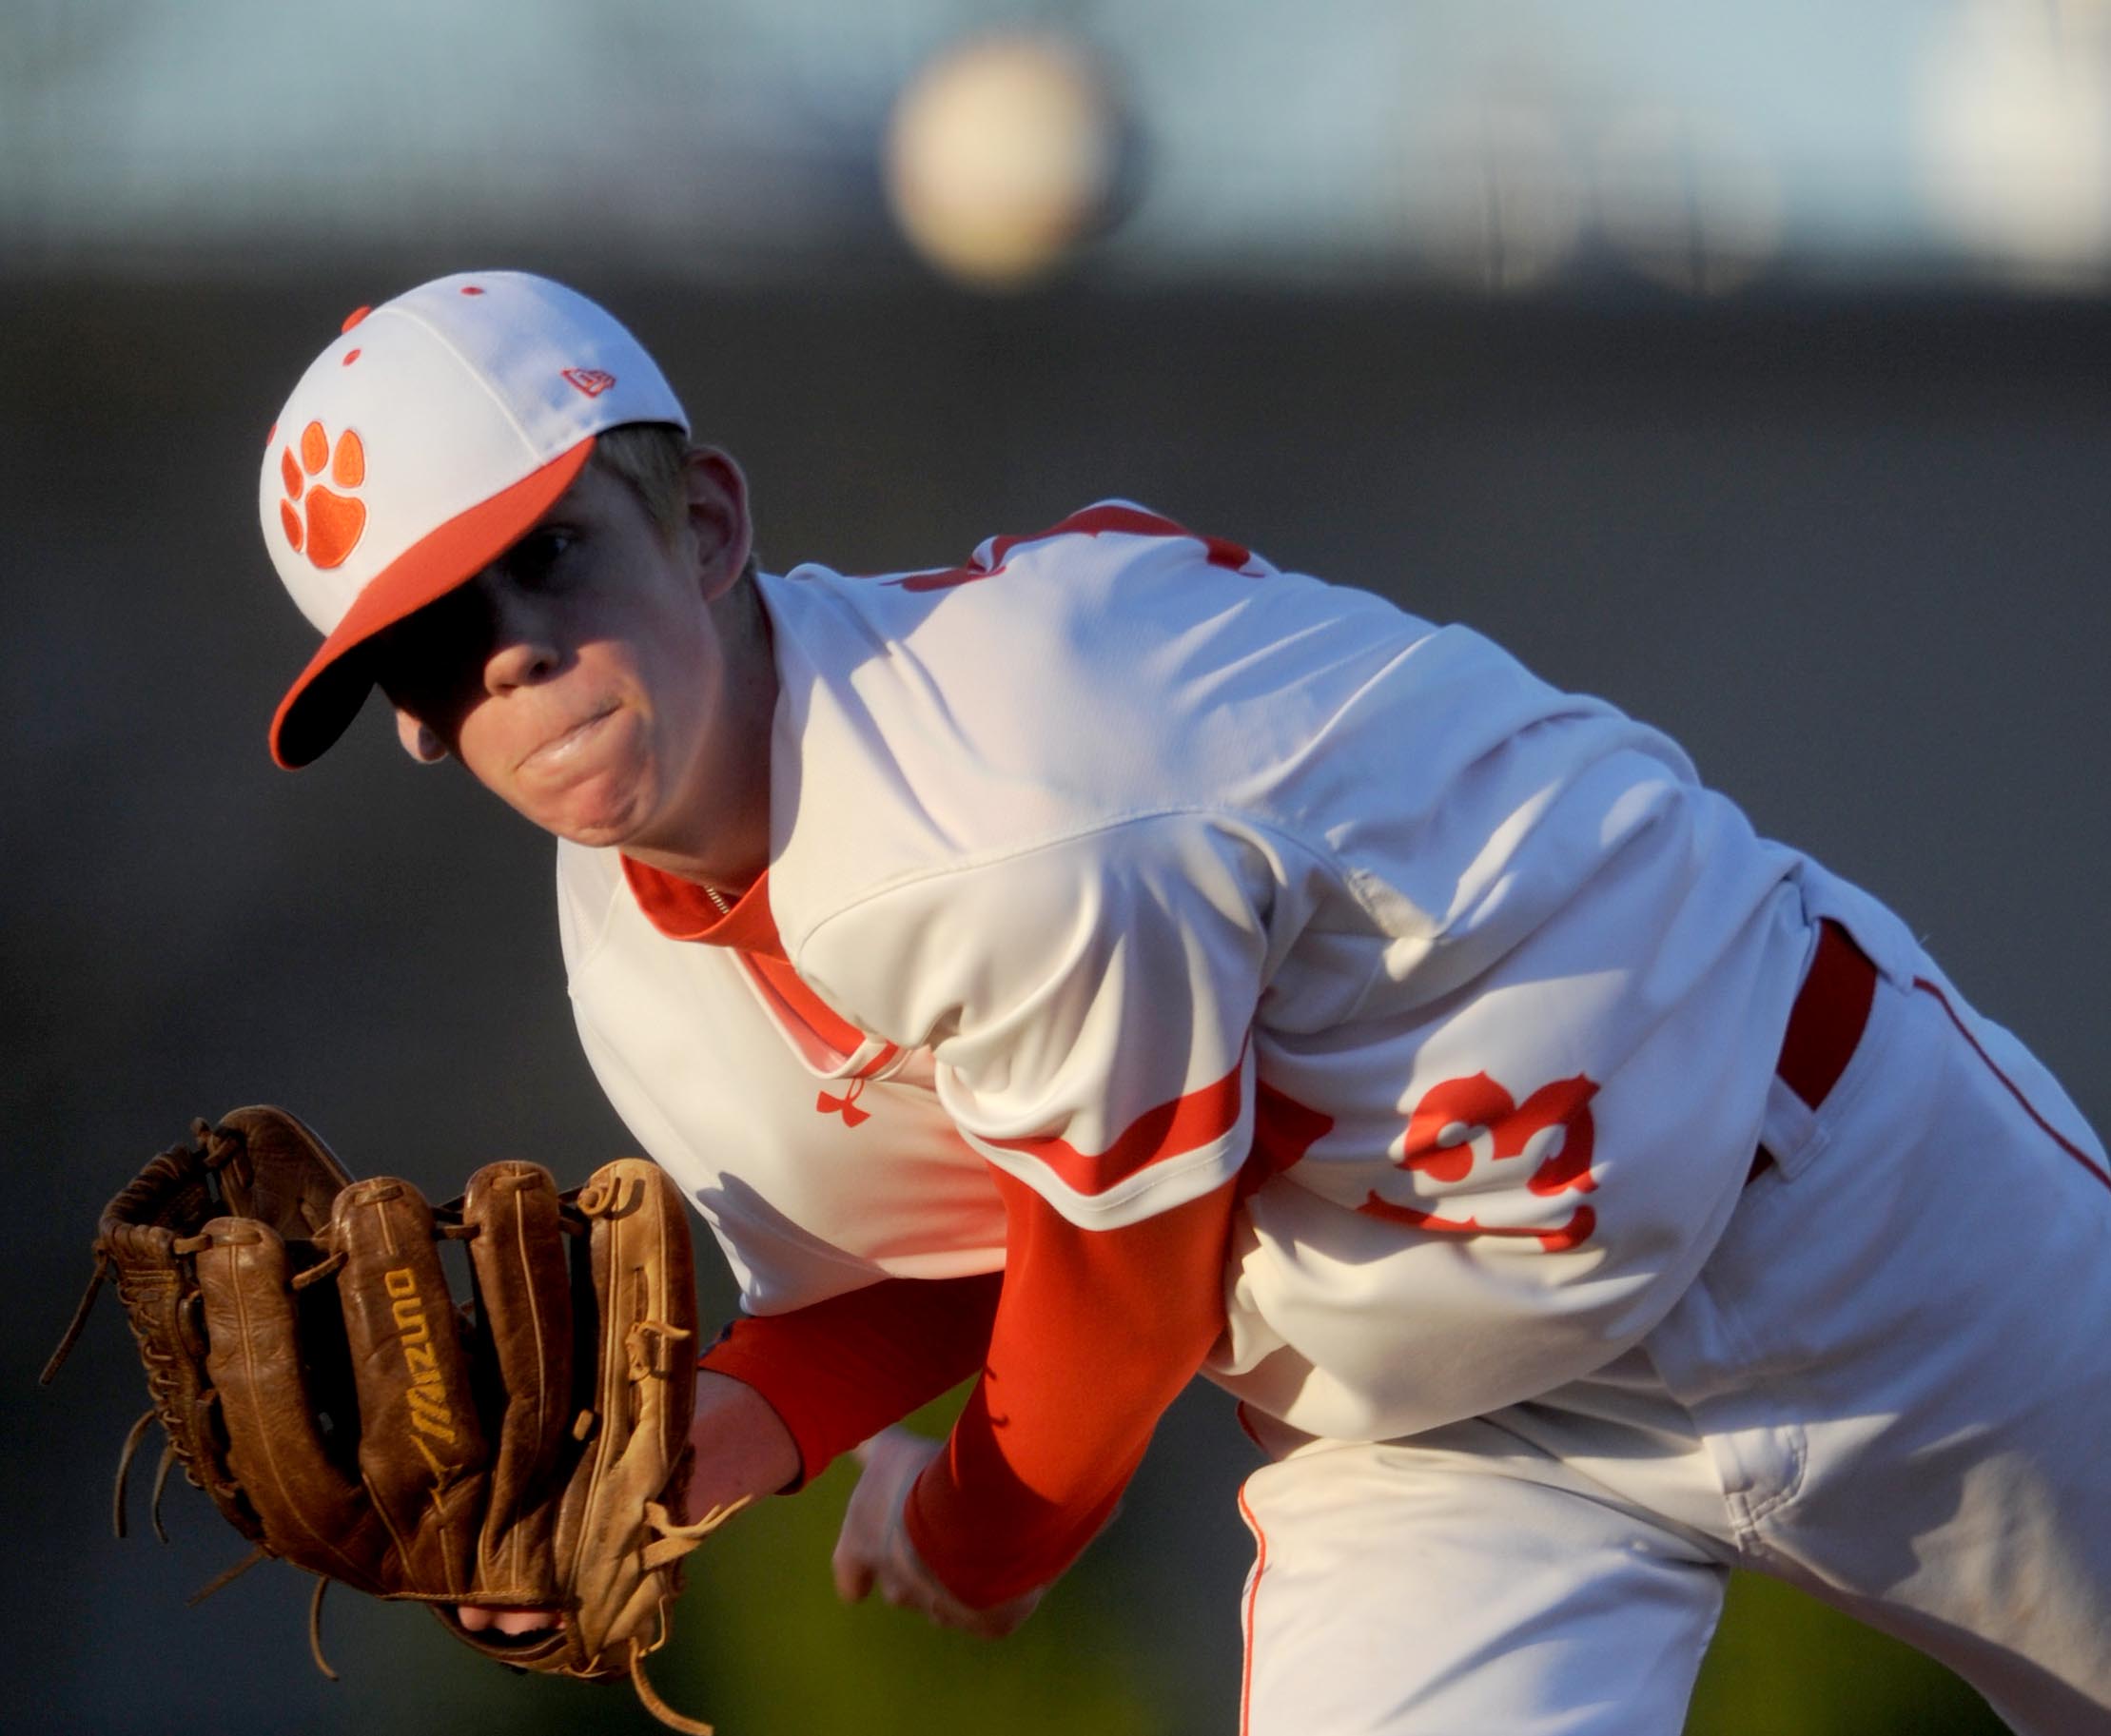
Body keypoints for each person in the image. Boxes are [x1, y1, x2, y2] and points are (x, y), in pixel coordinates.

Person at [257, 270, 2111, 1732]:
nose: (515, 648)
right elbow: (955, 1251)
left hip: (1839, 1218)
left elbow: (1117, 1281)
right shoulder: (638, 978)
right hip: (1430, 1434)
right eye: (437, 641)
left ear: (712, 523)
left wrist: (980, 1527)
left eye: (556, 552)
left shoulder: (1009, 768)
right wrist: (679, 1450)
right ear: (414, 722)